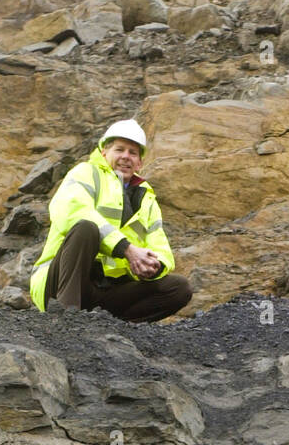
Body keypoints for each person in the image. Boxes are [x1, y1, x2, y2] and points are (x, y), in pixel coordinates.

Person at [29, 119, 192, 322]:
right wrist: (126, 249)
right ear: (104, 153)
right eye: (119, 149)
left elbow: (161, 247)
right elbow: (72, 212)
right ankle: (66, 322)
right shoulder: (85, 172)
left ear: (140, 162)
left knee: (179, 288)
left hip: (108, 289)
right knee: (85, 228)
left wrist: (153, 266)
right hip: (62, 283)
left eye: (133, 153)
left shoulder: (147, 199)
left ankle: (116, 330)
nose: (126, 157)